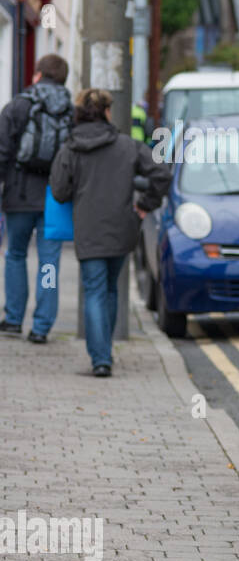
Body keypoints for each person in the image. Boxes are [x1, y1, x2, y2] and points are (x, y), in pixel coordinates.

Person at [49, 89, 170, 377]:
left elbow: (59, 191)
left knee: (93, 290)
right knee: (110, 288)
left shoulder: (71, 147)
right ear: (106, 112)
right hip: (121, 227)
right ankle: (105, 352)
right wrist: (144, 206)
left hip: (88, 228)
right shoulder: (127, 145)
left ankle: (100, 357)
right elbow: (162, 172)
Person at [0, 54, 74, 343]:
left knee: (16, 254)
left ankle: (14, 318)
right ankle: (42, 326)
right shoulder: (71, 110)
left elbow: (2, 150)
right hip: (56, 199)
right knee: (49, 263)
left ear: (38, 74)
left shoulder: (19, 105)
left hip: (19, 194)